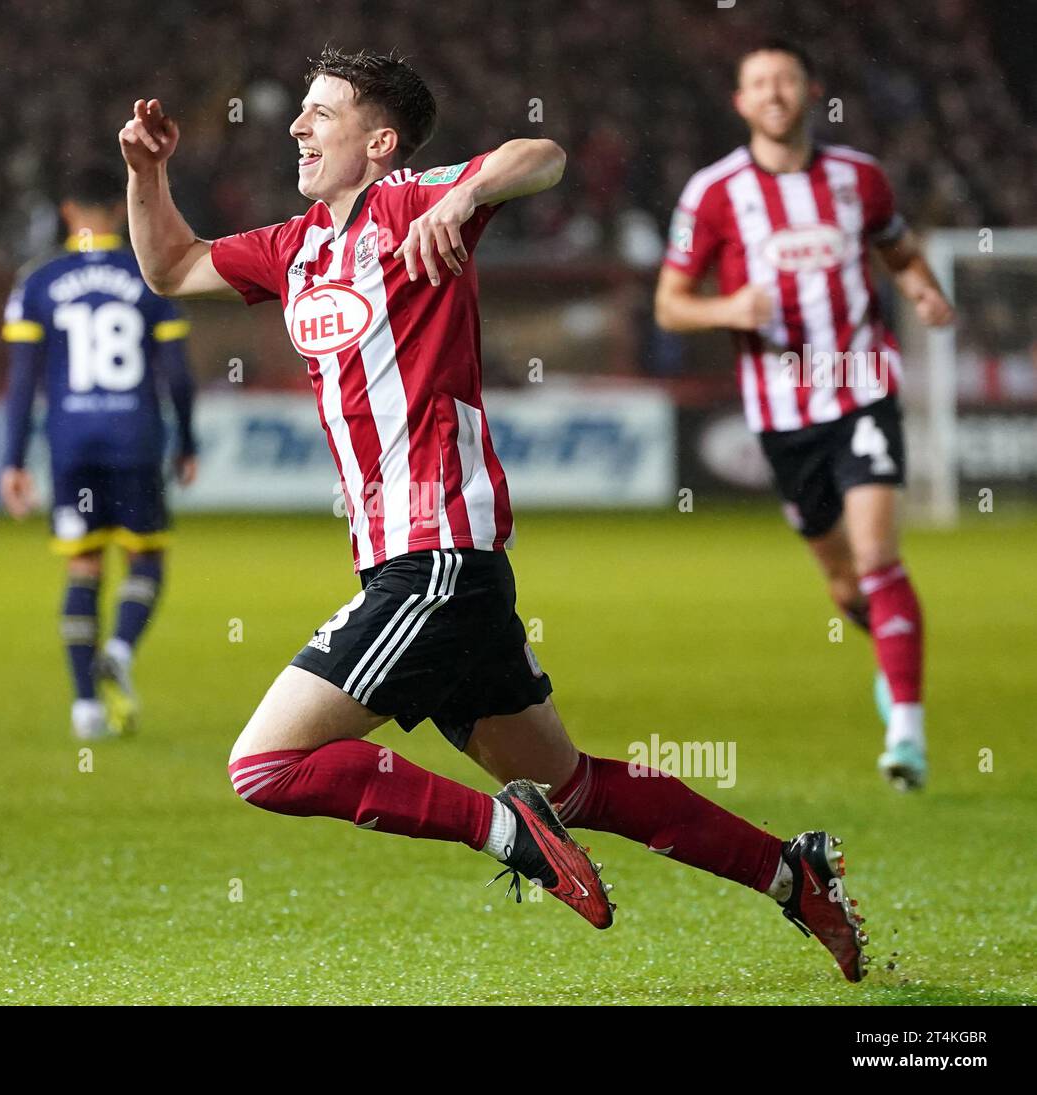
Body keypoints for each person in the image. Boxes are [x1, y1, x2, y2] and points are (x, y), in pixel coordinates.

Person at [121, 46, 867, 980]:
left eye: (321, 113)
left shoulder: (410, 203)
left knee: (266, 766)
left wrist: (460, 200)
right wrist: (146, 173)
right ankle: (788, 870)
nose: (297, 126)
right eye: (301, 111)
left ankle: (503, 826)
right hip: (432, 568)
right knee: (579, 784)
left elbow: (539, 153)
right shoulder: (293, 245)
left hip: (433, 554)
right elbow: (170, 266)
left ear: (379, 142)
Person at [655, 39, 955, 791]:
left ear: (809, 90)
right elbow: (670, 302)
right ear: (741, 102)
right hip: (781, 412)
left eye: (786, 79)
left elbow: (899, 248)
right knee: (846, 584)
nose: (775, 93)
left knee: (878, 553)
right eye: (760, 83)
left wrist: (918, 286)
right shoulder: (713, 193)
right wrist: (729, 305)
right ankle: (890, 654)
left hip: (861, 388)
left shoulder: (860, 178)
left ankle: (907, 730)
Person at [0, 164, 198, 740]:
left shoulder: (37, 282)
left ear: (67, 213)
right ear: (118, 211)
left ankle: (85, 708)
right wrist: (186, 440)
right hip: (135, 438)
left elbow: (22, 384)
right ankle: (119, 646)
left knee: (83, 566)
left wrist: (12, 462)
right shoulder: (150, 275)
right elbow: (178, 375)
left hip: (70, 445)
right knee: (147, 561)